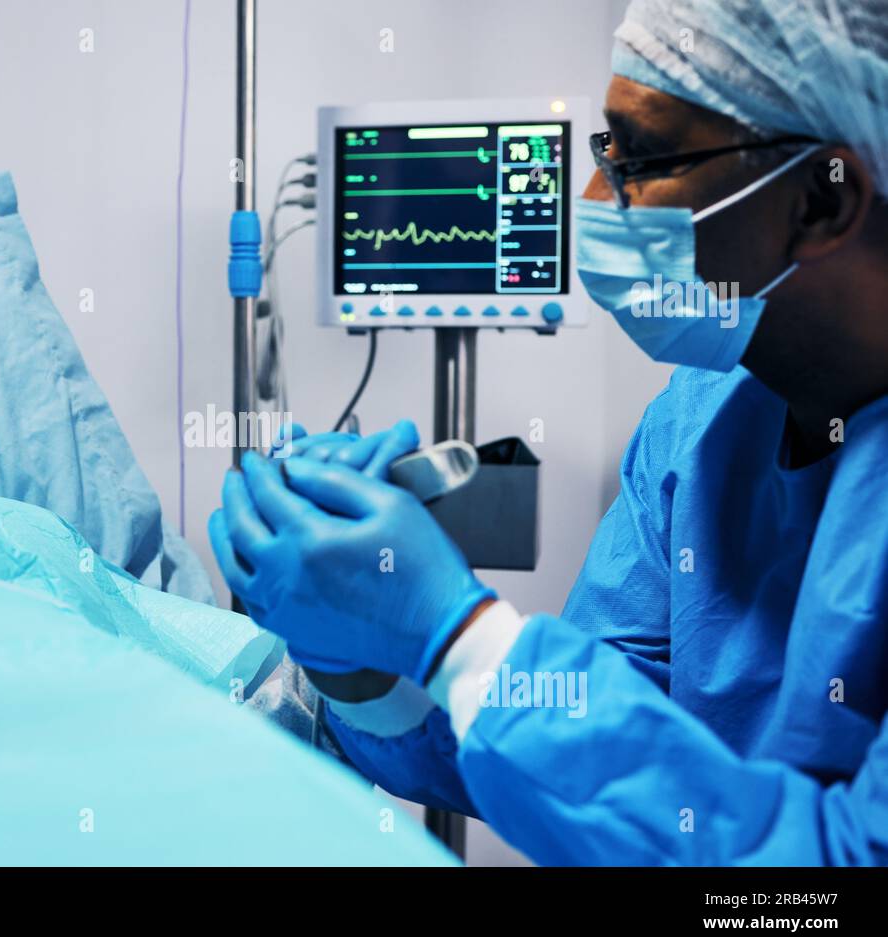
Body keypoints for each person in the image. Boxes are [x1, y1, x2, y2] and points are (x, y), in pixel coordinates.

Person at [211, 0, 888, 864]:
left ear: (823, 202)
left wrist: (453, 632)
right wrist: (363, 657)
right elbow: (586, 750)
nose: (593, 203)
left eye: (642, 159)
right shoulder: (696, 427)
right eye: (604, 155)